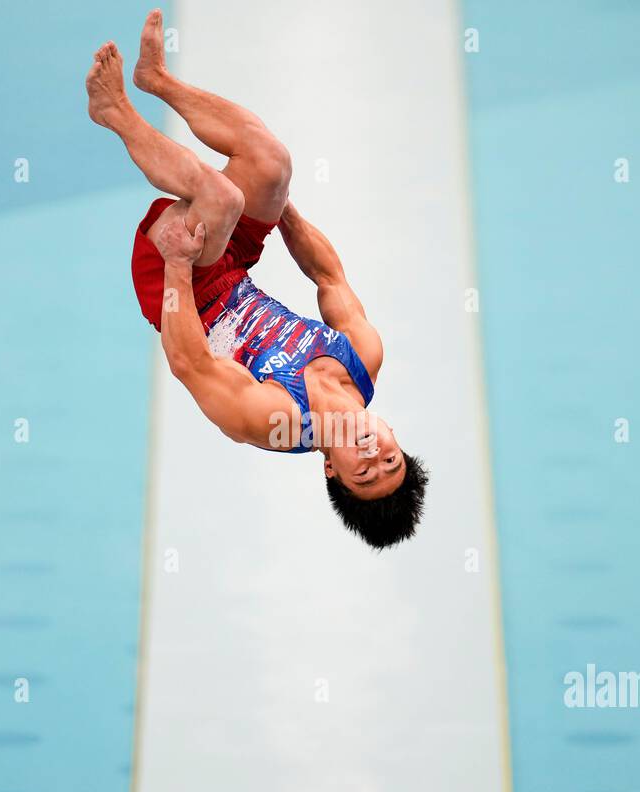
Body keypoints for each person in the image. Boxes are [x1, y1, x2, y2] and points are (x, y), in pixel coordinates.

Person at [86, 10, 426, 549]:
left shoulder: (273, 419)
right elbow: (327, 275)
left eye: (364, 472)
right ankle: (158, 81)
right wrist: (282, 207)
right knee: (271, 163)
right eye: (389, 459)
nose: (370, 454)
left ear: (331, 471)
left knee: (221, 199)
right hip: (231, 266)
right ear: (394, 438)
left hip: (181, 291)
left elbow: (188, 363)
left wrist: (176, 262)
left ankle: (114, 112)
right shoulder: (363, 355)